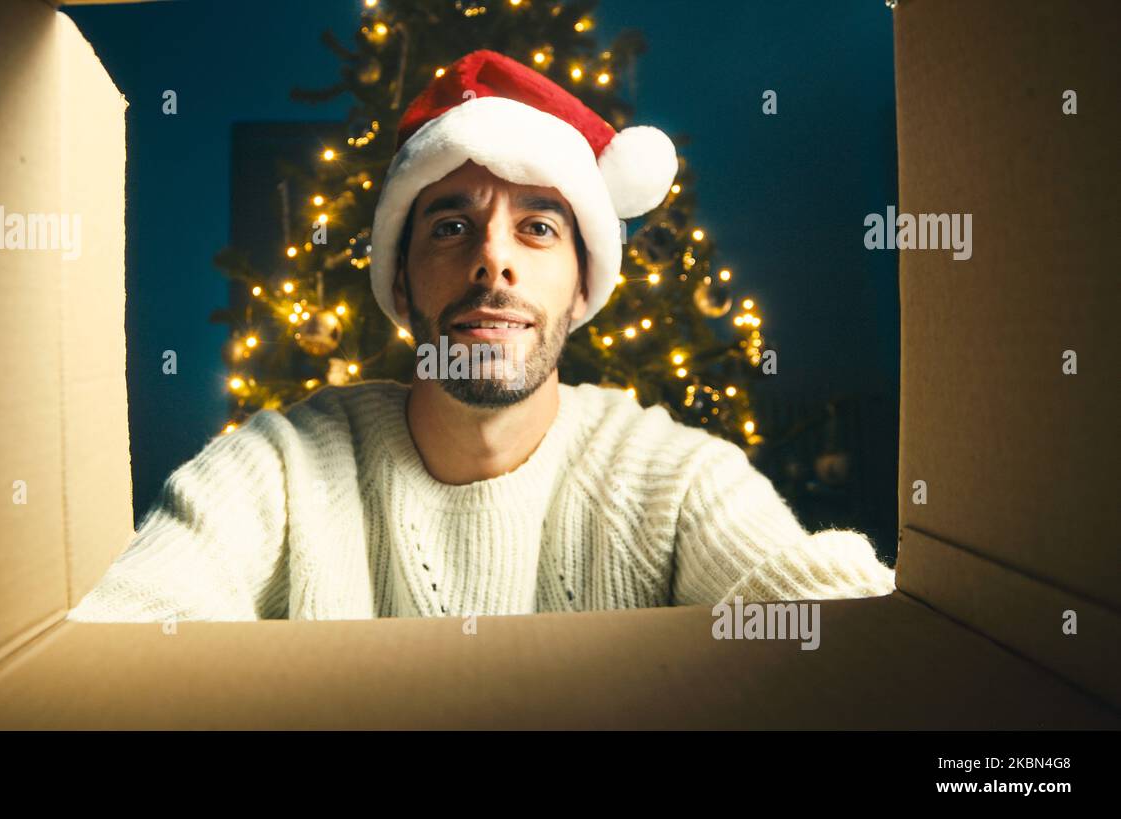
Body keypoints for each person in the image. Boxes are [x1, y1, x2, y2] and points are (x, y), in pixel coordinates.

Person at [68, 50, 895, 623]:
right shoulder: (279, 470)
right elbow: (128, 634)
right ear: (399, 281)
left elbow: (831, 624)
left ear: (582, 287)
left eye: (537, 229)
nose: (493, 259)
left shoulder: (671, 480)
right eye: (451, 226)